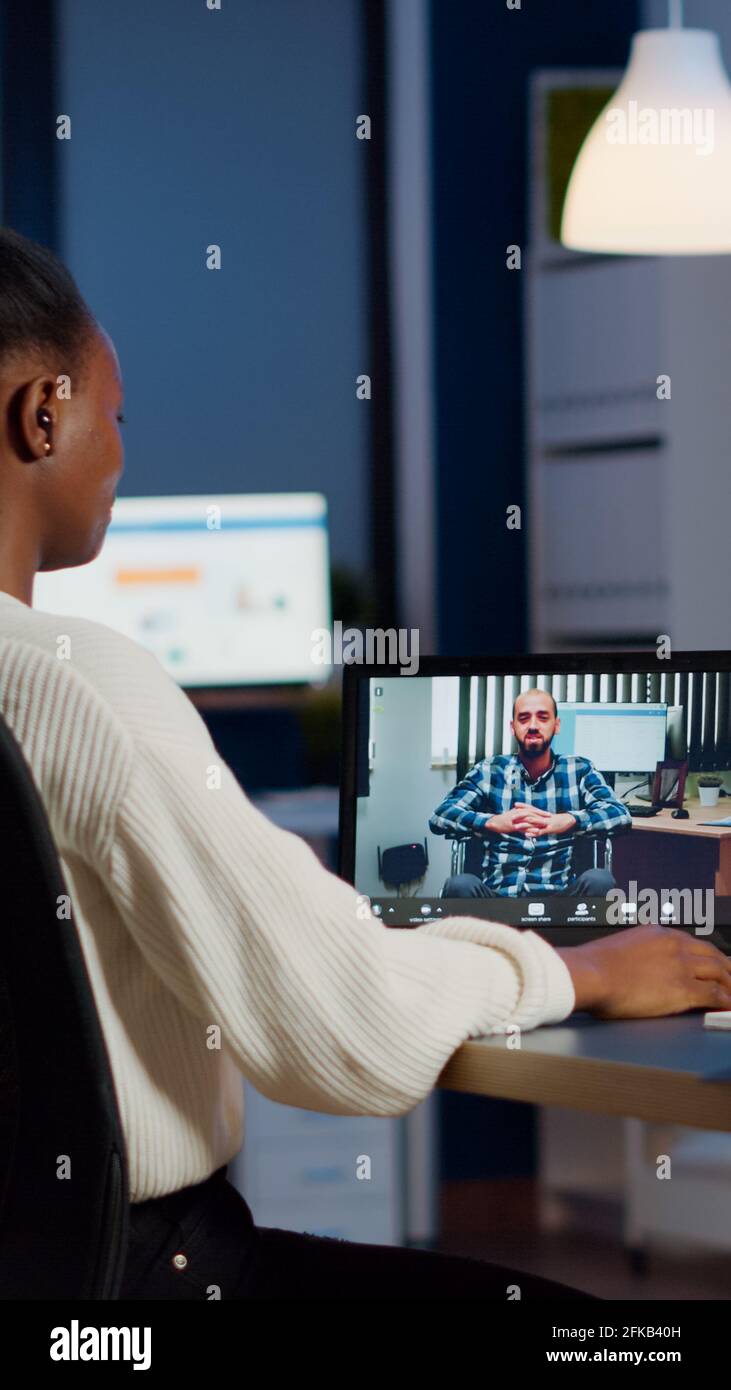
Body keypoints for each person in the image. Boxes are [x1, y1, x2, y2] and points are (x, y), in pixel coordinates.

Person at [1, 228, 730, 1301]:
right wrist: (579, 970)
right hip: (140, 1280)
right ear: (42, 413)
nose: (122, 452)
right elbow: (345, 1029)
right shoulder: (79, 682)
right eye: (116, 417)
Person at [432, 689, 632, 899]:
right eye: (524, 718)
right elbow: (441, 815)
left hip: (559, 899)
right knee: (459, 884)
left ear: (556, 725)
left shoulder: (579, 769)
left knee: (600, 881)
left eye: (543, 717)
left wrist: (570, 820)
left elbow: (619, 814)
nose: (533, 725)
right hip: (497, 897)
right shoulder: (489, 771)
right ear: (513, 727)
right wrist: (492, 822)